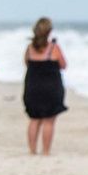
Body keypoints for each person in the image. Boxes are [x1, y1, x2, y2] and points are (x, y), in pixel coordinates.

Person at [23, 17, 68, 155]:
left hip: (32, 88)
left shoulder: (29, 48)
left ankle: (32, 151)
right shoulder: (54, 48)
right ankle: (46, 152)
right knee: (49, 121)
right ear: (49, 32)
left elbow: (26, 64)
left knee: (34, 120)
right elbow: (63, 65)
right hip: (51, 88)